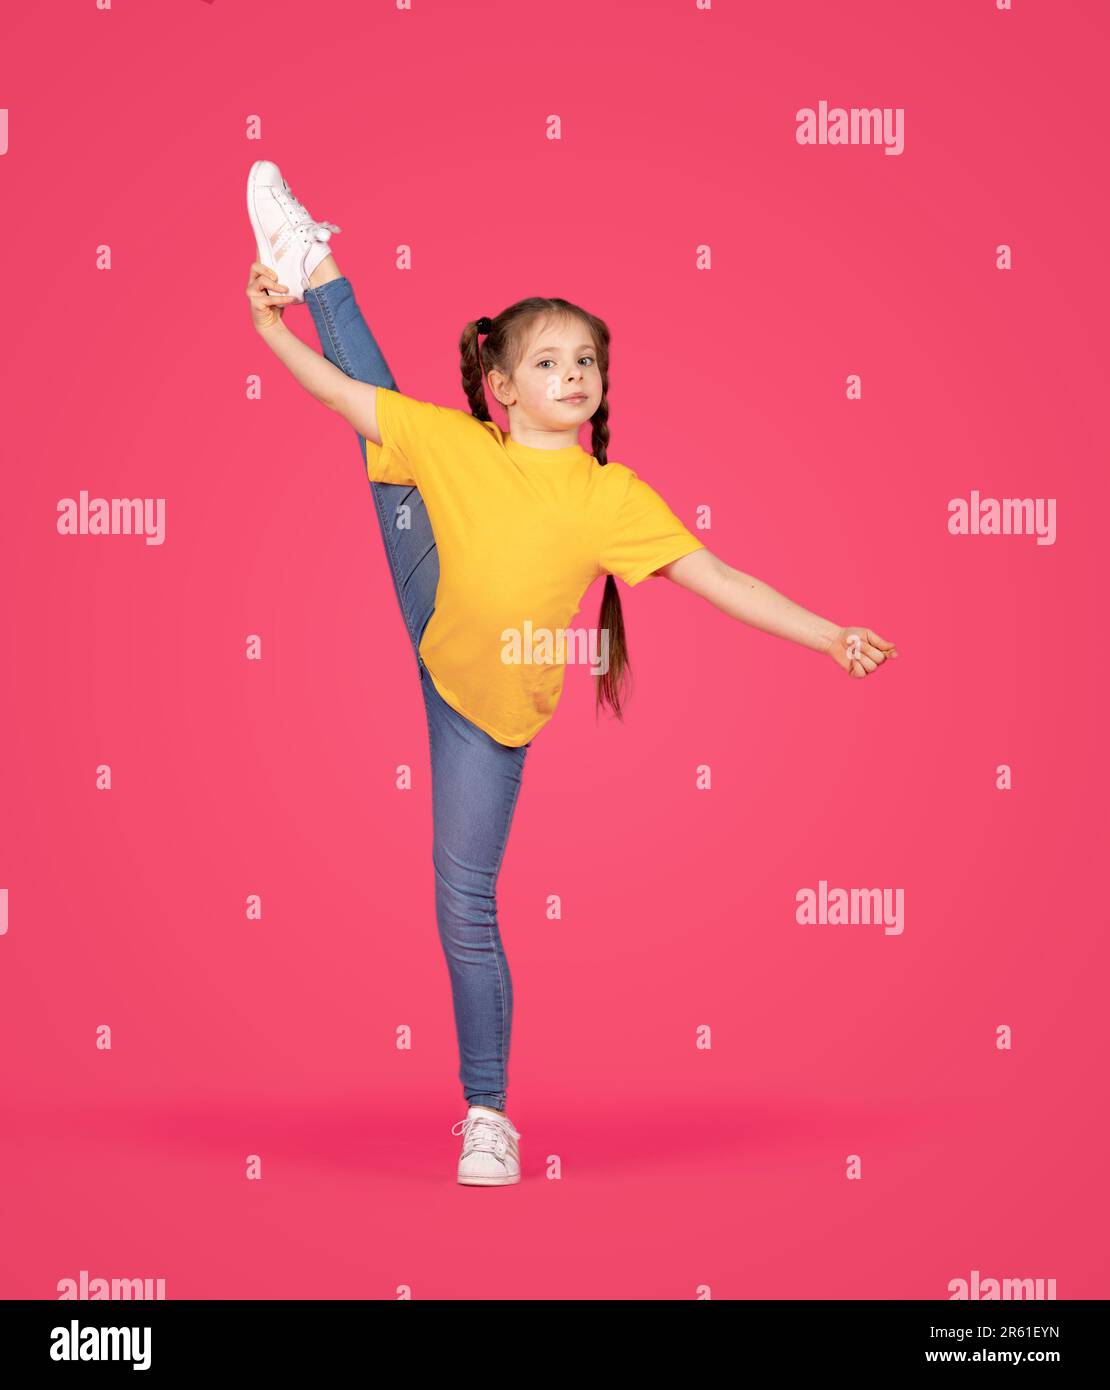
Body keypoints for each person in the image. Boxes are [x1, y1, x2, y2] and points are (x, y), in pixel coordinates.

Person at [244, 160, 900, 1187]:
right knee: (380, 415)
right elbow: (343, 393)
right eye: (549, 362)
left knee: (463, 905)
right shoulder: (461, 446)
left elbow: (720, 576)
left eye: (586, 359)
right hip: (434, 593)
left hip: (486, 707)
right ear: (503, 387)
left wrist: (826, 634)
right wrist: (278, 329)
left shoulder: (612, 497)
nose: (575, 373)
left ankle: (486, 1113)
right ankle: (314, 260)